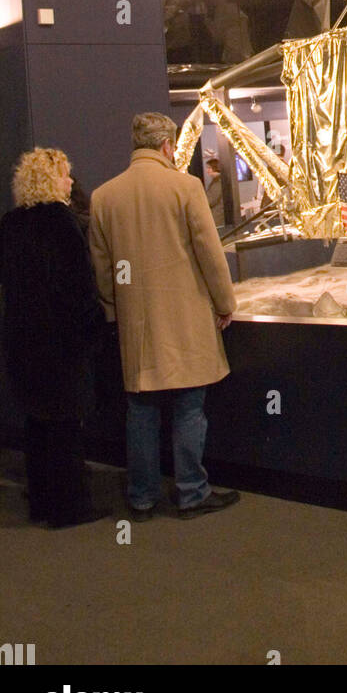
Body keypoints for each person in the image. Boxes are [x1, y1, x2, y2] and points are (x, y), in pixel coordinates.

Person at [89, 113, 240, 520]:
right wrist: (225, 302)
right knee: (190, 408)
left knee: (140, 412)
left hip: (135, 324)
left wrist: (114, 307)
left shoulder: (104, 196)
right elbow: (209, 253)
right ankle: (192, 492)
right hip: (186, 320)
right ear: (168, 146)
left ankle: (141, 497)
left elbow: (104, 271)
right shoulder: (185, 187)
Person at [0, 148, 105, 528]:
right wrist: (94, 329)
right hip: (60, 345)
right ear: (49, 179)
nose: (71, 181)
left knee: (37, 424)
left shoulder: (11, 223)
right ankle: (69, 508)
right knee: (65, 427)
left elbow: (2, 278)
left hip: (21, 342)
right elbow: (78, 288)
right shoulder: (61, 221)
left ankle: (40, 501)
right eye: (64, 175)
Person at [205, 156, 224, 227]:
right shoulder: (218, 181)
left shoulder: (218, 182)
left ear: (215, 167)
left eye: (209, 168)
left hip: (217, 218)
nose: (207, 171)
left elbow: (210, 200)